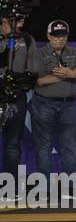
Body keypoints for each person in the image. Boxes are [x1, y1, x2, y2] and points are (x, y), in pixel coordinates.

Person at [28, 20, 76, 180]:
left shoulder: (75, 53)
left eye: (63, 35)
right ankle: (45, 188)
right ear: (48, 36)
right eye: (56, 36)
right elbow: (39, 81)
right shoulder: (38, 54)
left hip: (67, 104)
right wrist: (69, 74)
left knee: (70, 146)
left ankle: (72, 186)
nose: (60, 39)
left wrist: (73, 74)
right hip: (43, 104)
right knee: (44, 146)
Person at [1, 14, 36, 181]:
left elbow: (33, 69)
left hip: (16, 96)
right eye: (15, 17)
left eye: (21, 17)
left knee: (12, 144)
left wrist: (24, 80)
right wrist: (6, 38)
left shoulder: (27, 39)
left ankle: (9, 185)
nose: (21, 20)